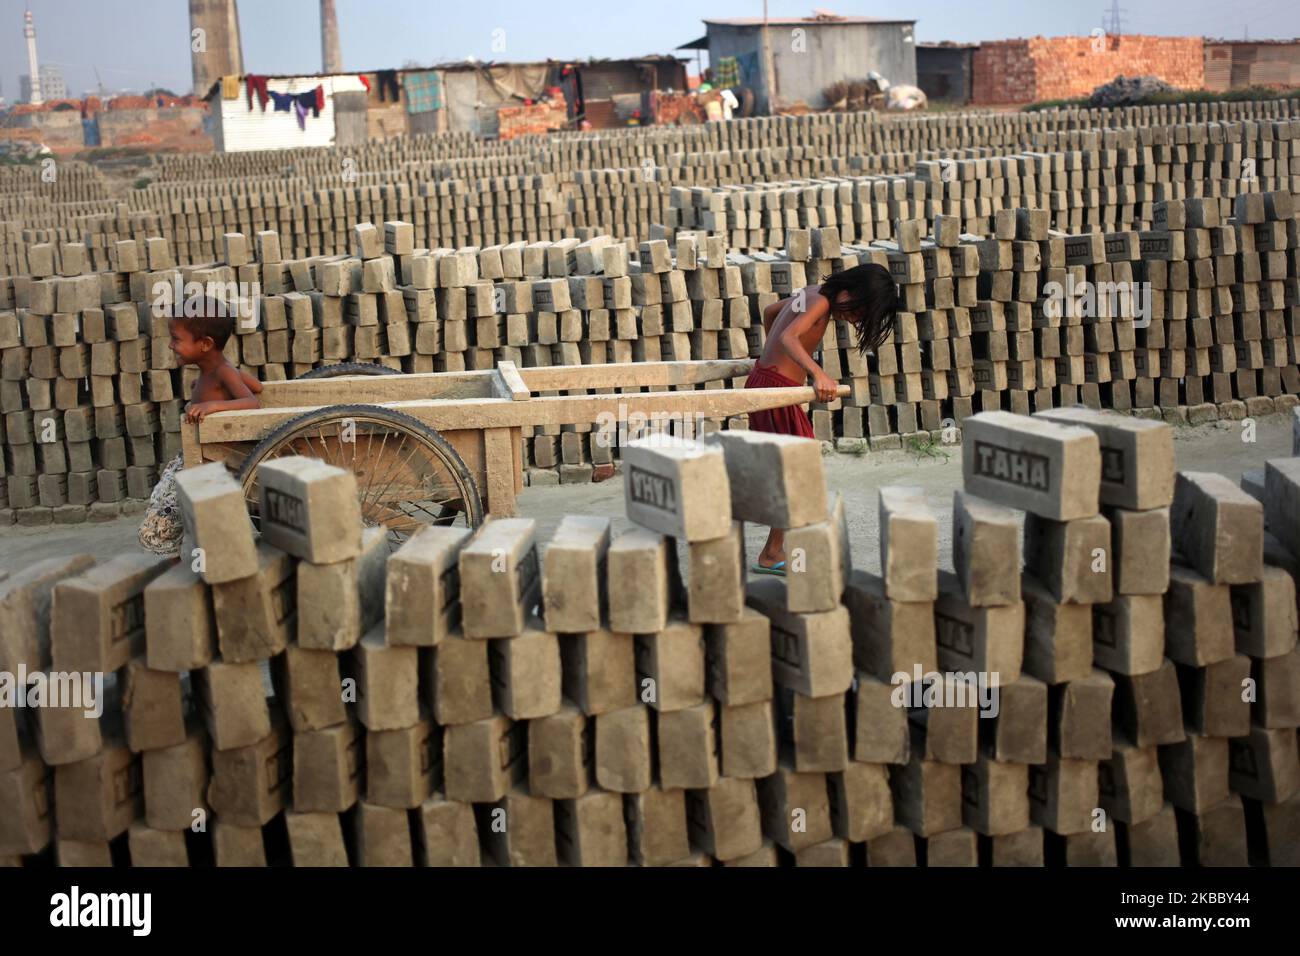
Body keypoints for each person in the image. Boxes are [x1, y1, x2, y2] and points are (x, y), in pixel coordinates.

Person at [745, 263, 898, 574]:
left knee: (793, 467)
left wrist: (768, 353)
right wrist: (817, 374)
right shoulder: (821, 302)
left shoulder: (811, 293)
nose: (854, 318)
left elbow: (771, 311)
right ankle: (772, 553)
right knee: (801, 468)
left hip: (770, 381)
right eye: (857, 310)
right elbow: (789, 337)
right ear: (849, 291)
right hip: (777, 389)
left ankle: (774, 550)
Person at [138, 301, 262, 556]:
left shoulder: (223, 372)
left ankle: (169, 568)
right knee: (161, 503)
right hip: (192, 456)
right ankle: (170, 561)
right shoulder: (217, 372)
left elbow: (253, 401)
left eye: (176, 339)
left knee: (161, 519)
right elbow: (257, 386)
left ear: (205, 344)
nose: (171, 345)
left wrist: (213, 404)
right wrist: (208, 386)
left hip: (208, 459)